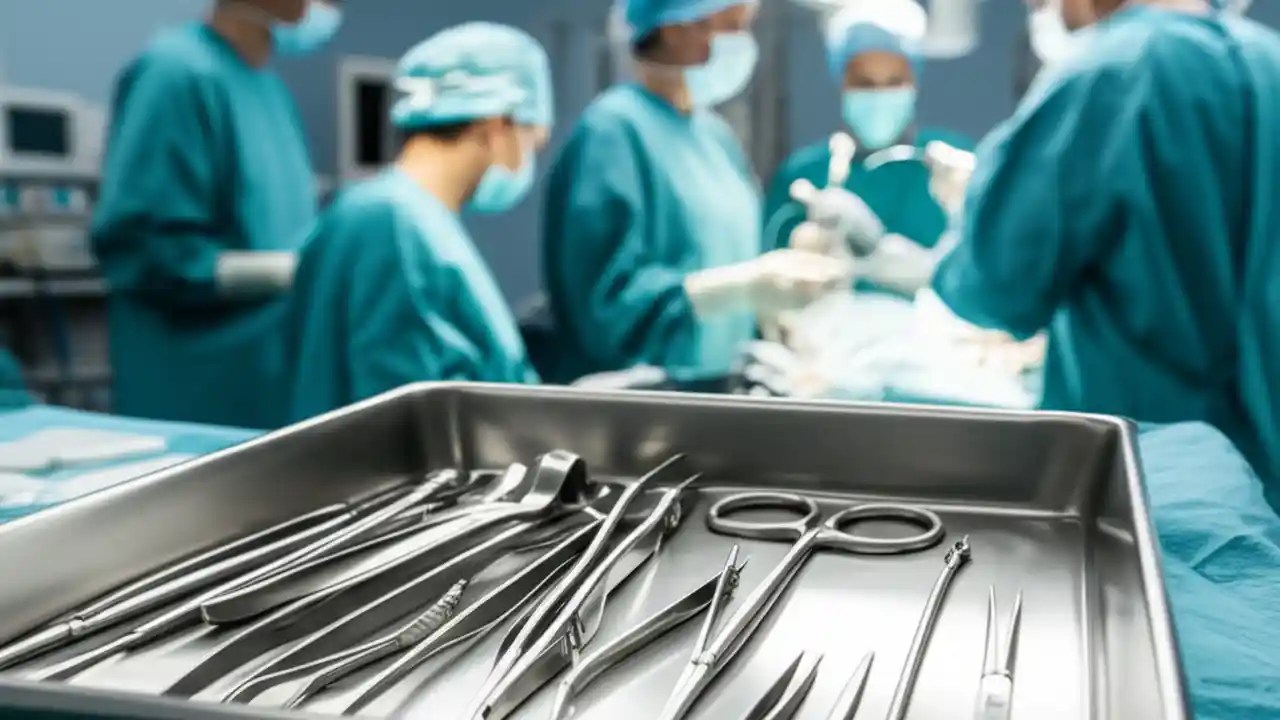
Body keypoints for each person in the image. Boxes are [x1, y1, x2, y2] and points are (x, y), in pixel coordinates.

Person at [929, 0, 1280, 510]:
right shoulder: (1268, 62)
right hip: (1265, 482)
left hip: (1147, 481)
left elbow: (993, 287)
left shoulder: (1112, 72)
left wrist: (971, 211)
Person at [543, 0, 849, 383]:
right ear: (675, 29)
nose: (744, 43)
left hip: (715, 392)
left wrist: (776, 310)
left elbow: (732, 258)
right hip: (636, 405)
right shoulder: (613, 133)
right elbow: (604, 309)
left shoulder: (715, 137)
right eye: (733, 25)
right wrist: (736, 289)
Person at [284, 23, 551, 423]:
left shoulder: (388, 214)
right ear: (498, 126)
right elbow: (409, 431)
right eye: (533, 138)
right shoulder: (397, 227)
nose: (529, 156)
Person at [91, 0, 337, 429]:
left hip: (270, 379)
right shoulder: (176, 74)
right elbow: (145, 252)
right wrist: (286, 272)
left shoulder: (269, 90)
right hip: (196, 390)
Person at [763, 0, 970, 271]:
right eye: (864, 83)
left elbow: (985, 275)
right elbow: (770, 289)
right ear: (842, 84)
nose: (878, 95)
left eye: (894, 81)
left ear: (914, 83)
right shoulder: (804, 176)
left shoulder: (952, 167)